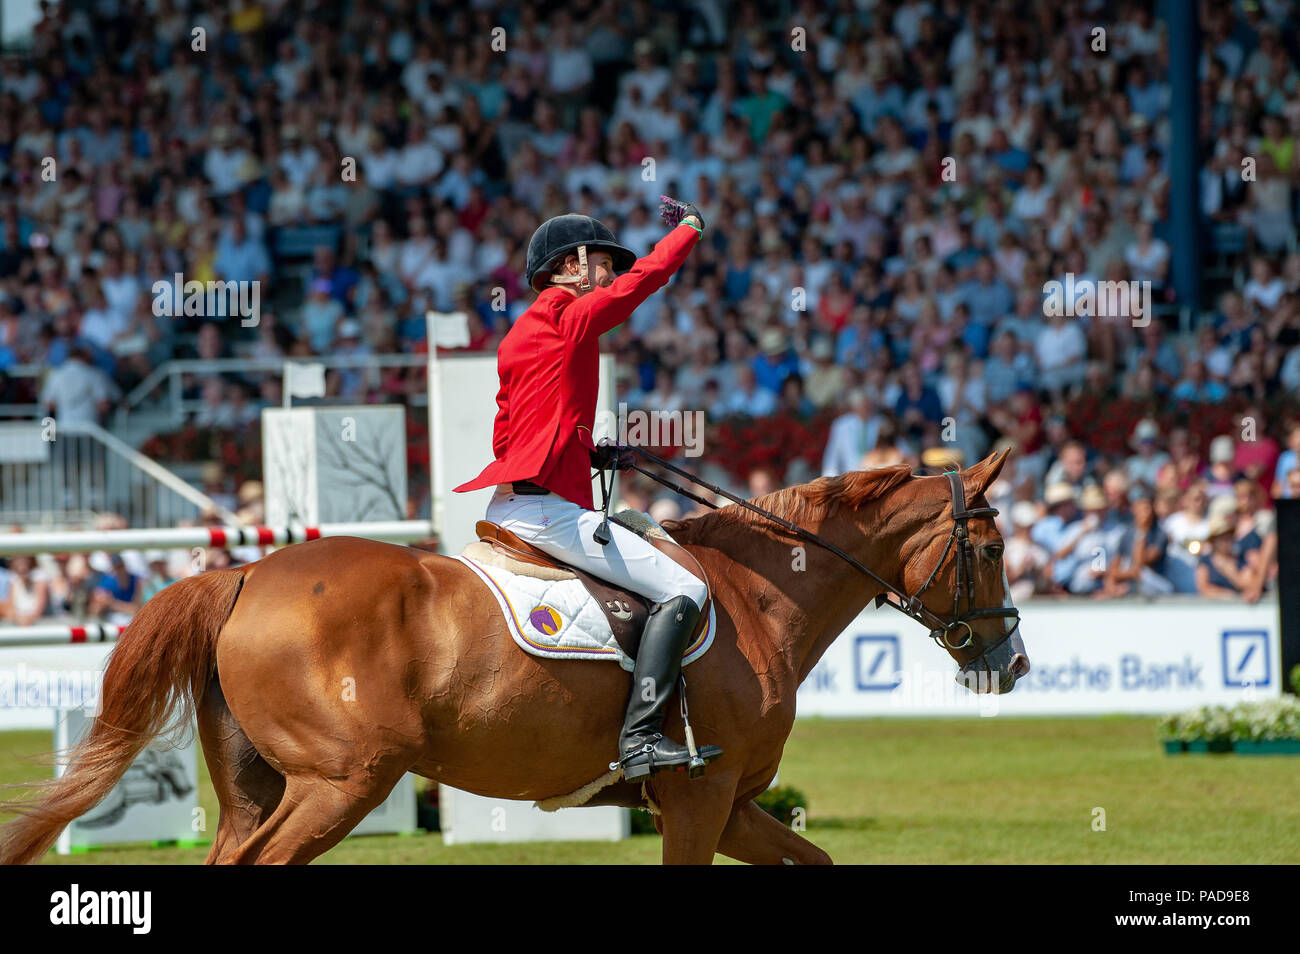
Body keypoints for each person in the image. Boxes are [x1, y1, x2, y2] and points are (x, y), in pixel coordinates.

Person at [453, 198, 722, 780]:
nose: (609, 276)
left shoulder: (520, 333)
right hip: (546, 510)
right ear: (571, 263)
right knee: (684, 589)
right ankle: (641, 739)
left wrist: (585, 449)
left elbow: (512, 425)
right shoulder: (564, 316)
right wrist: (688, 233)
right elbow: (641, 284)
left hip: (516, 499)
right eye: (603, 263)